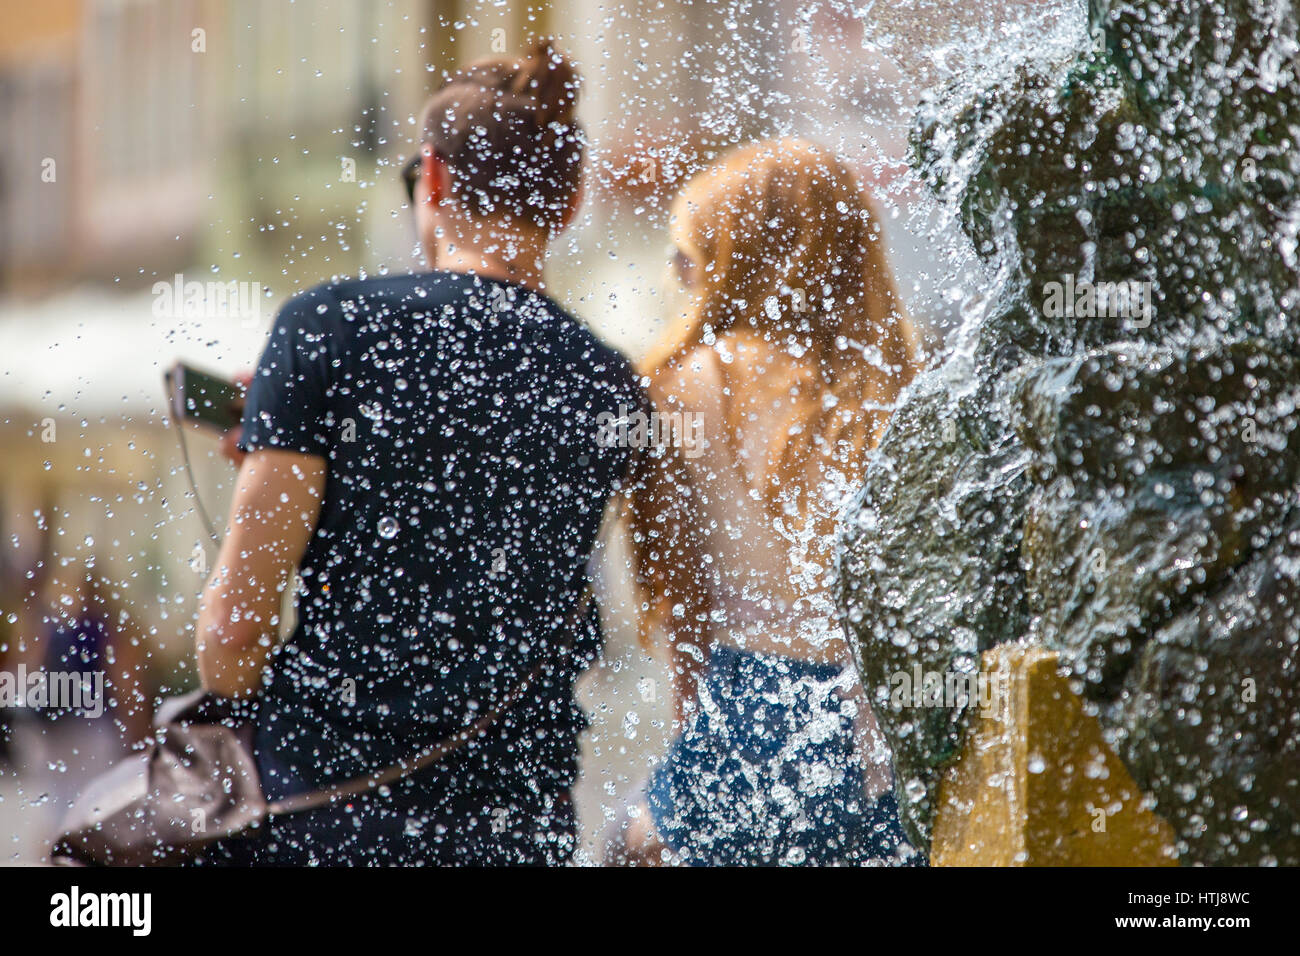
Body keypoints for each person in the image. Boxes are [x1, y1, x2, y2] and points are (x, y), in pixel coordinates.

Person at [195, 40, 643, 865]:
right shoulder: (609, 383)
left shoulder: (326, 329)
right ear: (573, 199)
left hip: (321, 820)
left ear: (431, 179)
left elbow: (232, 627)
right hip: (517, 832)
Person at [606, 139, 922, 866]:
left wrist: (700, 745)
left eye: (691, 257)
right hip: (888, 730)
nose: (677, 276)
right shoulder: (901, 384)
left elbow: (679, 600)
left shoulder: (690, 386)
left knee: (625, 841)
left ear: (738, 258)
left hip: (758, 712)